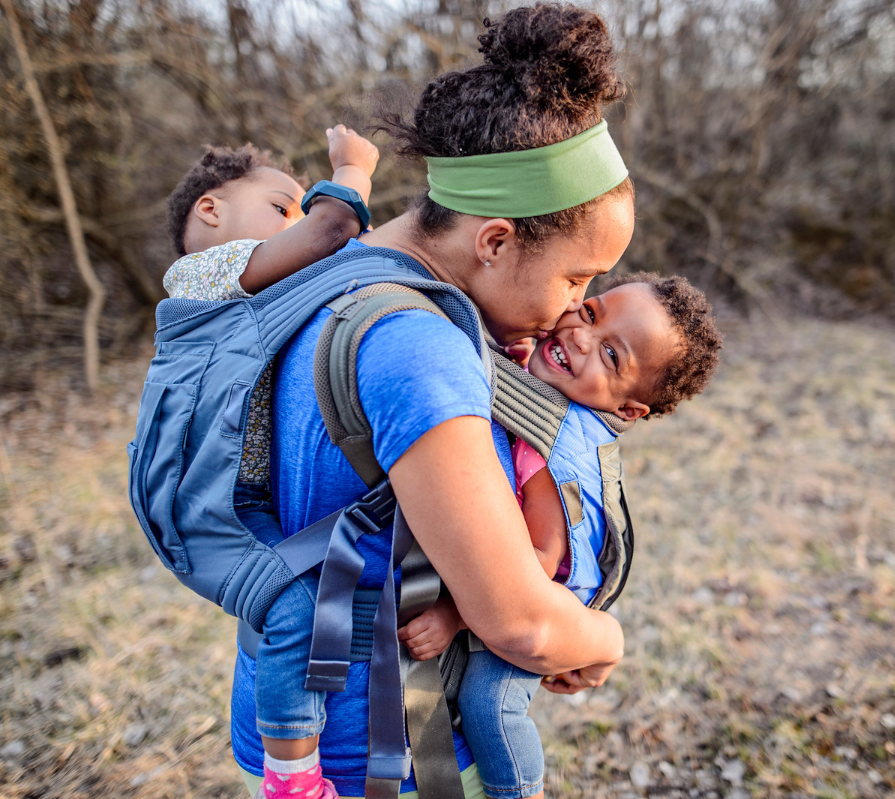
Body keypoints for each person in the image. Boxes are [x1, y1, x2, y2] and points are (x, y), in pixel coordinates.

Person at [230, 5, 636, 798]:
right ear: (493, 241)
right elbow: (517, 618)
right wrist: (602, 635)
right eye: (576, 279)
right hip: (383, 757)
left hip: (283, 722)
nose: (570, 312)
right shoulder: (421, 349)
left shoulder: (335, 262)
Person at [398, 272, 722, 799]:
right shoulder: (548, 387)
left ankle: (521, 790)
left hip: (552, 596)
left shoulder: (555, 449)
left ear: (627, 410)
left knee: (490, 705)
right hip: (526, 579)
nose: (580, 337)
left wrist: (455, 616)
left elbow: (542, 560)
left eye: (612, 357)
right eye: (591, 313)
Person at [162, 125, 380, 799]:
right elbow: (330, 231)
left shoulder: (257, 296)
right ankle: (291, 776)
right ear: (211, 210)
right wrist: (351, 168)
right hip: (206, 502)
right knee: (294, 606)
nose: (297, 220)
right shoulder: (196, 276)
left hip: (245, 494)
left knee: (305, 596)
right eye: (284, 205)